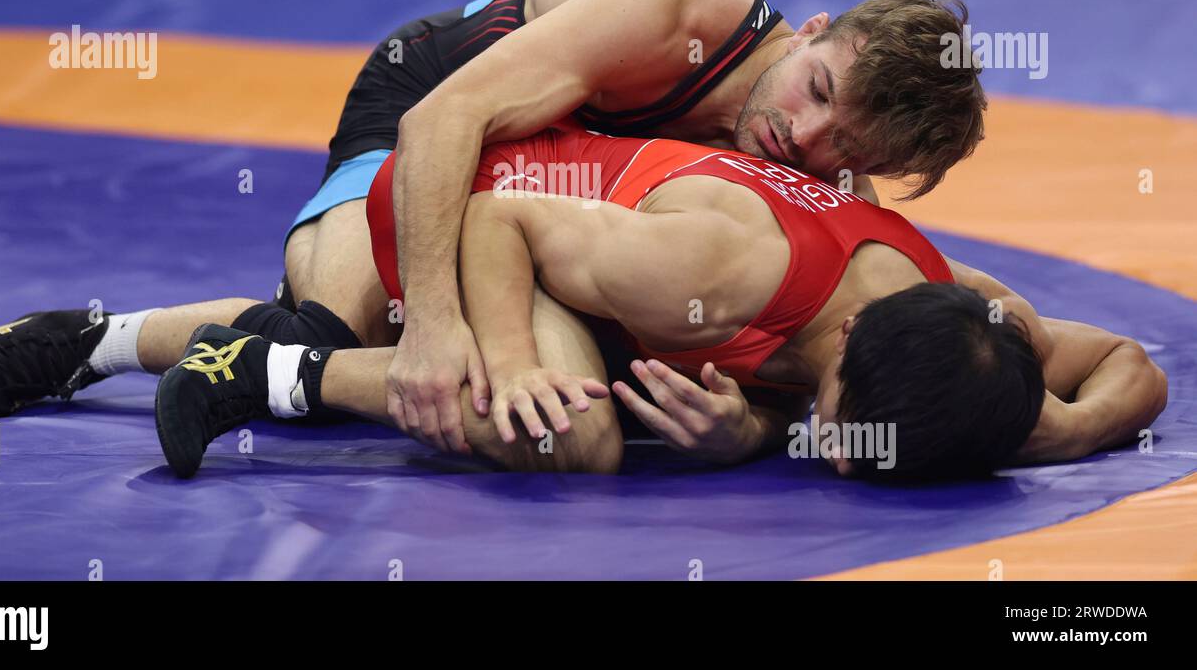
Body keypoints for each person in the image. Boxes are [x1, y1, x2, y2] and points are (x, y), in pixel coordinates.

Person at [0, 0, 988, 462]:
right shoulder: (673, 11)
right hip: (435, 113)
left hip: (560, 193)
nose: (802, 145)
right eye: (816, 98)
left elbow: (789, 340)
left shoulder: (815, 172)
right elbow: (448, 126)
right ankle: (96, 341)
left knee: (618, 379)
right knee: (343, 329)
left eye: (848, 154)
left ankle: (262, 358)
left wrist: (753, 425)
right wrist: (436, 324)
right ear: (808, 34)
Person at [151, 123, 1167, 480]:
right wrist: (501, 362)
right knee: (567, 432)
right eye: (840, 426)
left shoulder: (968, 339)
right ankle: (271, 370)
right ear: (849, 336)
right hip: (484, 203)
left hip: (598, 271)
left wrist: (1065, 433)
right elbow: (504, 216)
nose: (850, 454)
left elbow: (1134, 365)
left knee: (588, 396)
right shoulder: (715, 275)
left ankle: (107, 340)